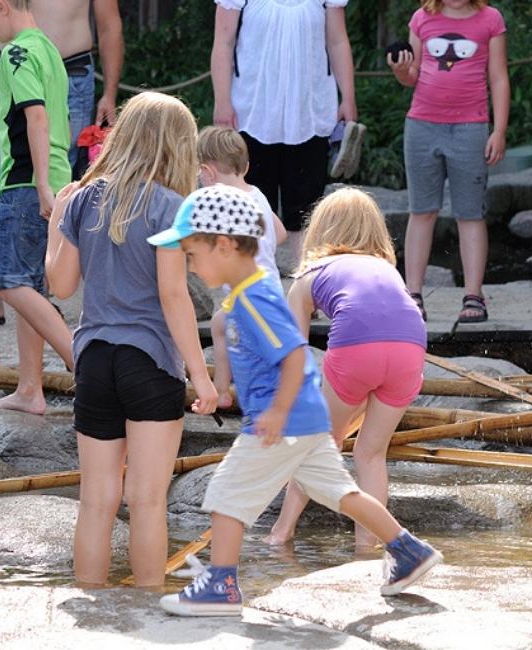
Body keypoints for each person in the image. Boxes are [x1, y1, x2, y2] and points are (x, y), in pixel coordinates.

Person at [150, 185, 442, 617]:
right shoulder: (247, 294)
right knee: (341, 491)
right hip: (303, 419)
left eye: (192, 254)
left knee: (225, 493)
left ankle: (222, 587)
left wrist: (278, 411)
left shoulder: (253, 298)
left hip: (282, 421)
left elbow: (292, 355)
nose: (190, 266)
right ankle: (407, 549)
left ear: (225, 245)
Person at [45, 91, 219, 587]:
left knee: (96, 501)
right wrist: (202, 378)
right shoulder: (172, 206)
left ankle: (92, 604)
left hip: (95, 359)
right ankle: (145, 616)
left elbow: (59, 286)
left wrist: (58, 222)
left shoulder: (81, 199)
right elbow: (173, 296)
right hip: (149, 363)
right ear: (176, 146)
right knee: (146, 501)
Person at [264, 188, 427, 550]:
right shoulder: (387, 269)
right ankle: (367, 549)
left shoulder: (308, 276)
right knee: (370, 453)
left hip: (357, 348)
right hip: (412, 346)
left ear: (320, 230)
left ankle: (281, 532)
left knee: (320, 445)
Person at [0, 0, 123, 328]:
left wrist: (110, 93)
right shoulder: (9, 33)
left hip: (70, 70)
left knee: (58, 184)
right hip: (18, 63)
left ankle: (38, 293)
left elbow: (109, 24)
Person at [0, 0, 76, 415]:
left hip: (27, 182)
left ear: (1, 6)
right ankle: (30, 388)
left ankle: (80, 361)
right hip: (52, 177)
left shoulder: (15, 52)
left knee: (10, 283)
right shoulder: (49, 48)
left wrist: (42, 186)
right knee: (30, 286)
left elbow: (36, 118)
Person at [209, 0, 356, 268]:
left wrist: (348, 97)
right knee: (252, 208)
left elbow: (337, 41)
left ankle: (307, 292)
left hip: (309, 111)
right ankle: (251, 294)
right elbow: (223, 43)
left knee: (307, 209)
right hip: (252, 111)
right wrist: (222, 102)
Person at [389, 0, 510, 323]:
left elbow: (498, 77)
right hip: (422, 126)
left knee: (470, 213)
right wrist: (401, 69)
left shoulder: (490, 20)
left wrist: (498, 130)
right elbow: (411, 75)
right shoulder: (422, 18)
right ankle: (412, 293)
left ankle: (474, 294)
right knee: (422, 210)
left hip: (471, 127)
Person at [196, 125, 286, 408]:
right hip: (271, 288)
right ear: (245, 166)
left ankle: (225, 390)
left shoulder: (220, 202)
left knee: (232, 334)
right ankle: (228, 390)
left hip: (247, 293)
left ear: (207, 172)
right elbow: (280, 232)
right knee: (226, 327)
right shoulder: (257, 193)